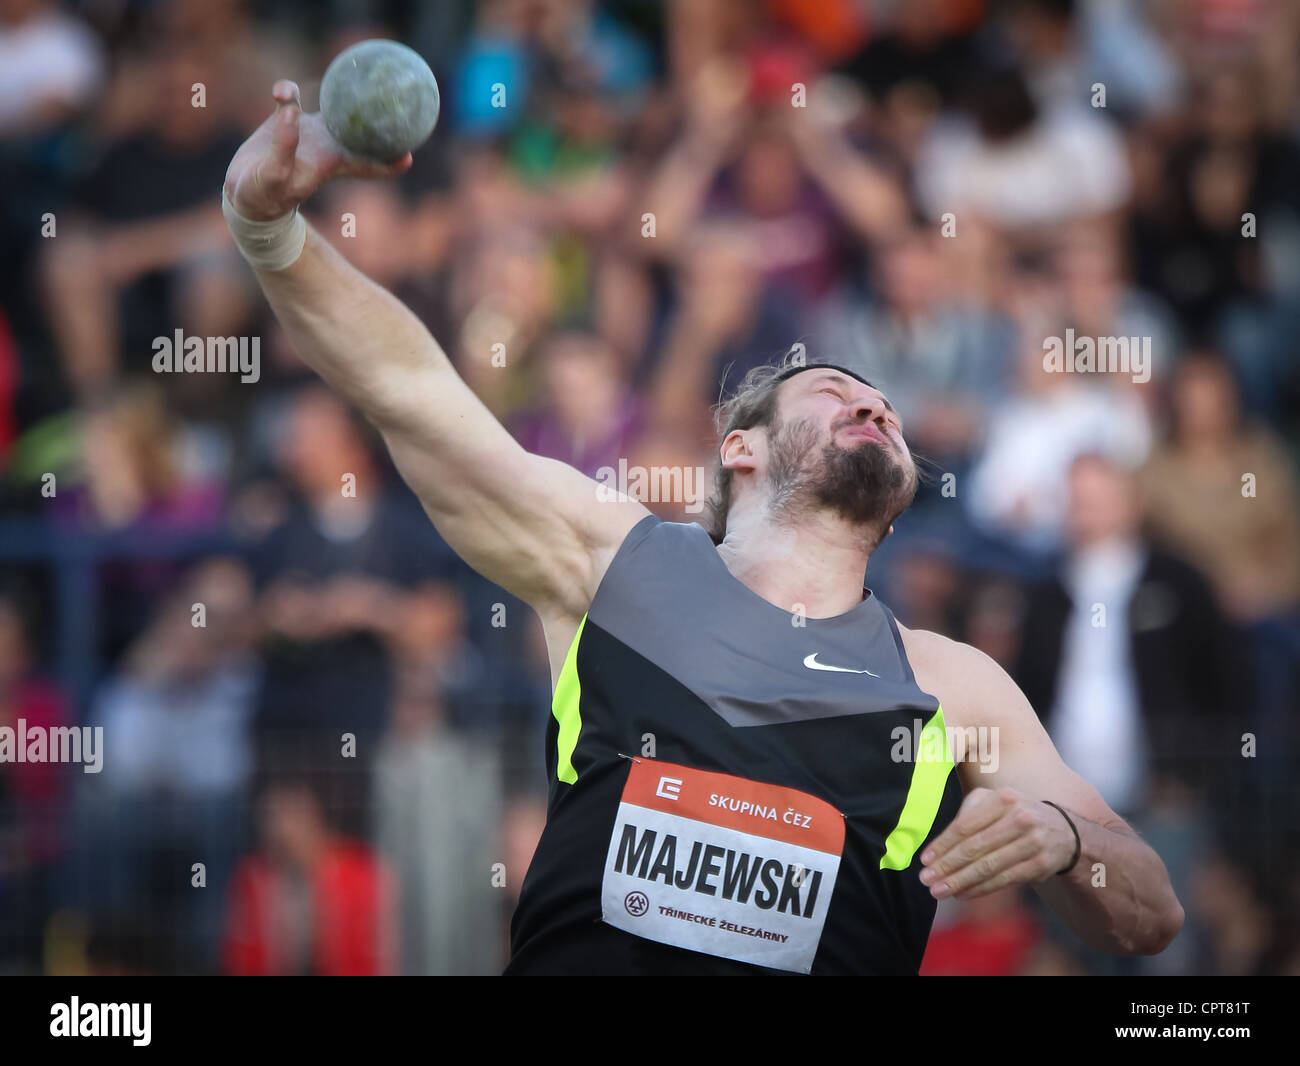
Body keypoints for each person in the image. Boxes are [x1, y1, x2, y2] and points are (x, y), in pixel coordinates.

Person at [218, 81, 1184, 975]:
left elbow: (1150, 914)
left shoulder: (948, 681)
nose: (876, 408)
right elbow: (414, 394)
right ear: (740, 452)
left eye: (886, 409)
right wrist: (267, 229)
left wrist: (1066, 842)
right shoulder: (616, 567)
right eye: (835, 391)